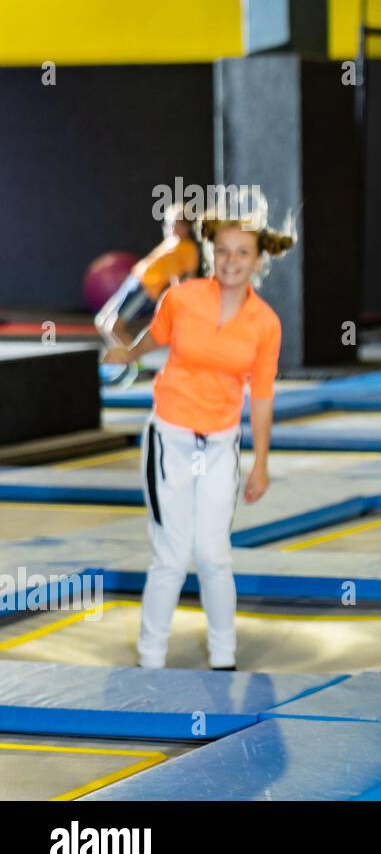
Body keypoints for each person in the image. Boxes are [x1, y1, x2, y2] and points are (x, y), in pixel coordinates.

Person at [103, 206, 293, 669]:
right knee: (171, 555)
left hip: (222, 443)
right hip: (171, 436)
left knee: (213, 555)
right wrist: (127, 352)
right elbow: (155, 337)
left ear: (257, 261)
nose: (231, 261)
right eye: (223, 251)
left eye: (242, 253)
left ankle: (224, 658)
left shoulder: (265, 323)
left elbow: (262, 397)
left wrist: (262, 462)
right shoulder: (183, 299)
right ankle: (151, 658)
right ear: (211, 255)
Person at [94, 203, 200, 349]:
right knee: (101, 321)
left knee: (113, 328)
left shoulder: (188, 250)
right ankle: (126, 361)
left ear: (187, 227)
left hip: (146, 289)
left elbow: (187, 279)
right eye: (169, 223)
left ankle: (136, 365)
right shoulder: (169, 242)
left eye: (177, 224)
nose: (171, 227)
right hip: (134, 282)